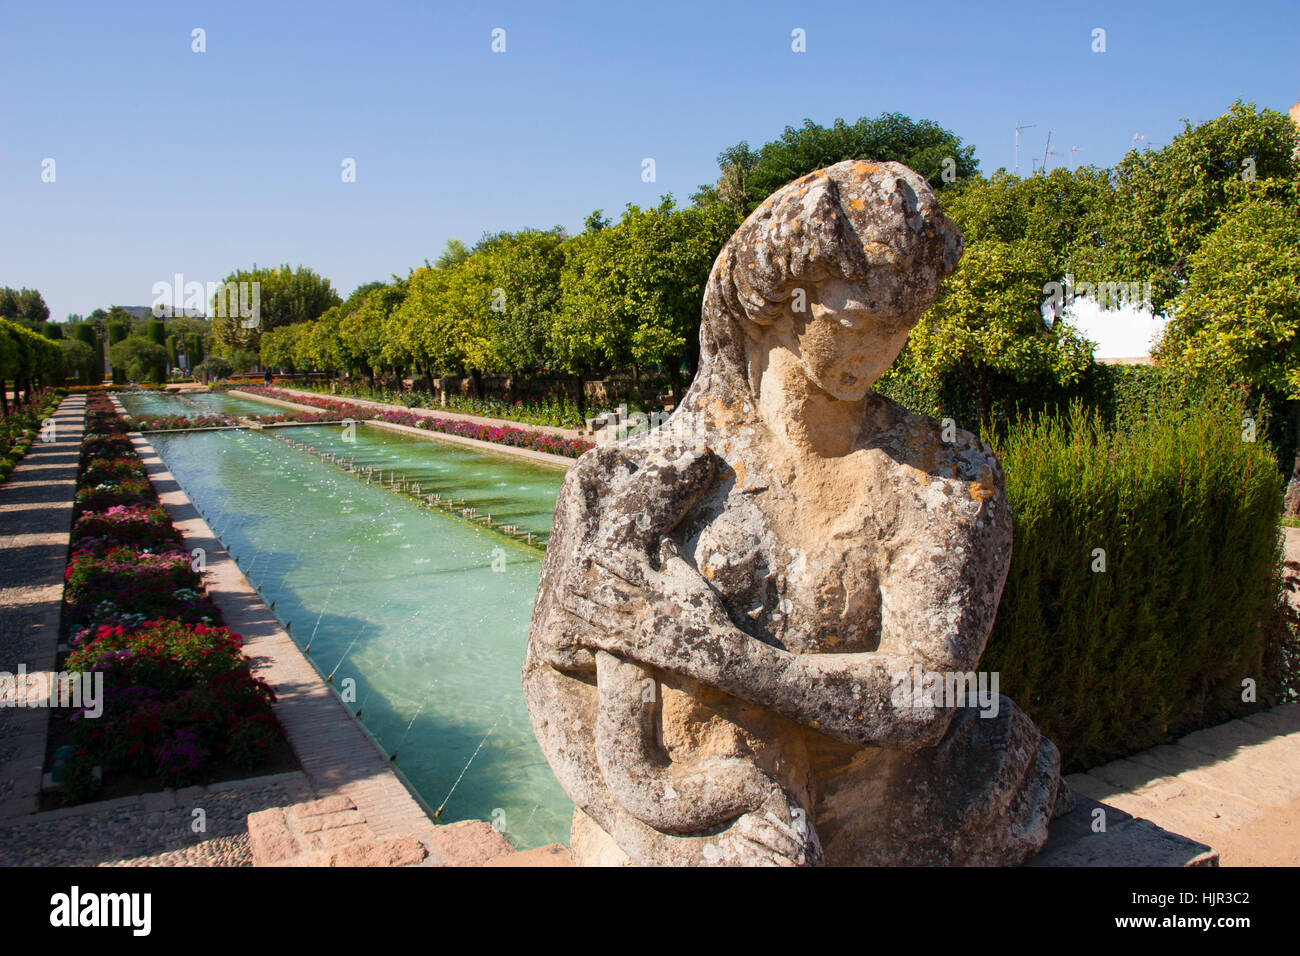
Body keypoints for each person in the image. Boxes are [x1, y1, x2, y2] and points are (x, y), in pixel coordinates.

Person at [524, 160, 1063, 866]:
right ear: (775, 302)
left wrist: (711, 652)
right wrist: (660, 836)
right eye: (856, 321)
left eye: (902, 324)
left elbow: (922, 693)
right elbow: (555, 682)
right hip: (702, 819)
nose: (882, 350)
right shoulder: (625, 479)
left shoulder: (947, 479)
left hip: (898, 809)